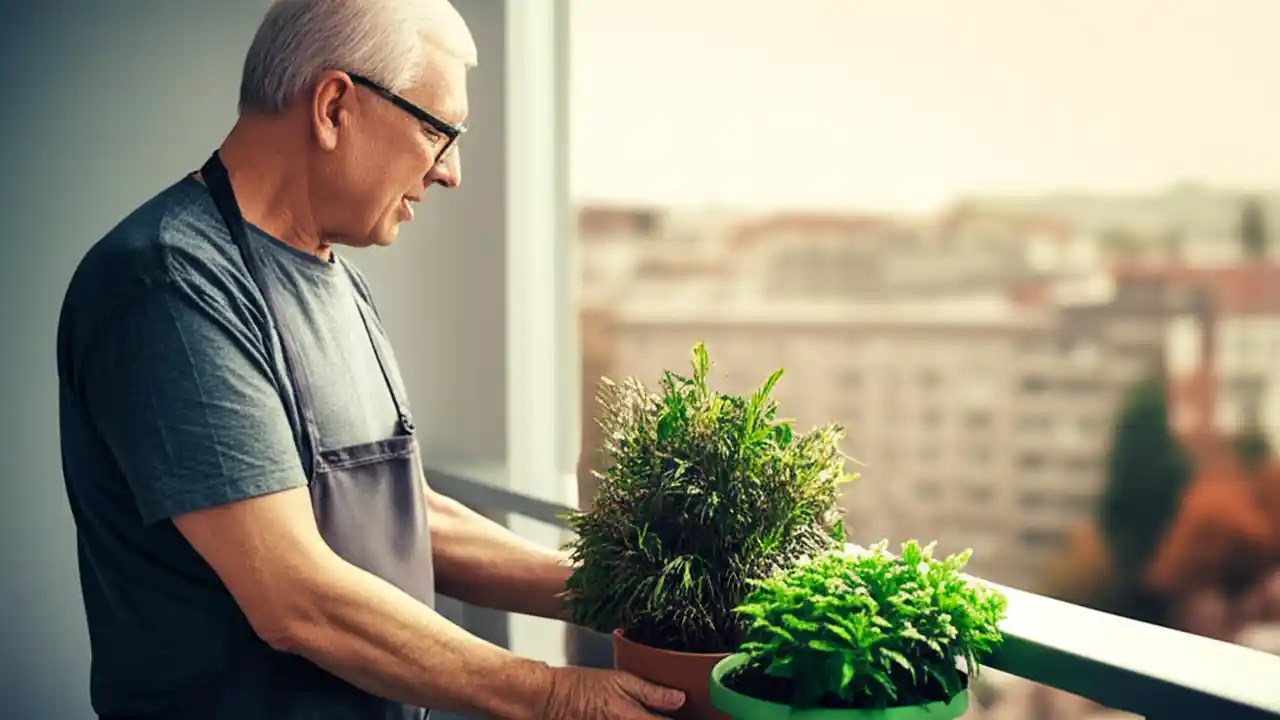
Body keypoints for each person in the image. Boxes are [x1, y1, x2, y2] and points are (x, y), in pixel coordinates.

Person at [55, 1, 684, 718]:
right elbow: (297, 597)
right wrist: (556, 696)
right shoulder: (168, 284)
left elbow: (402, 516)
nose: (450, 171)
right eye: (436, 130)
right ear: (333, 107)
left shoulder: (335, 278)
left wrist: (624, 589)